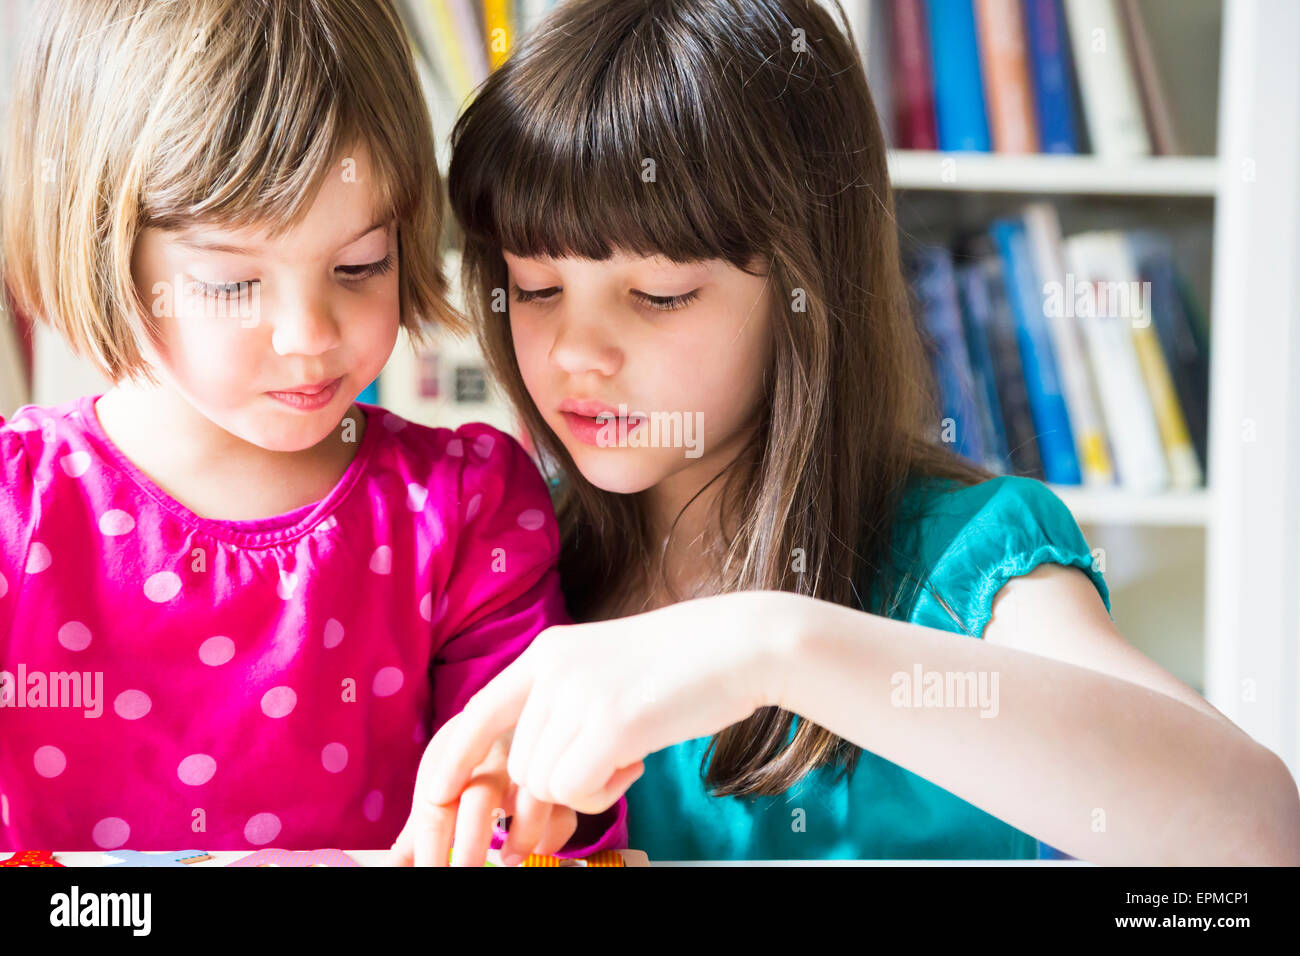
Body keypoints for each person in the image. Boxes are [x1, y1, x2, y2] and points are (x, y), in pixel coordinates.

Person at [390, 0, 1300, 864]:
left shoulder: (959, 560)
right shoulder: (499, 555)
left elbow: (1256, 832)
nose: (577, 353)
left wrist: (769, 646)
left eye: (659, 295)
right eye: (538, 290)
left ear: (802, 291)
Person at [0, 0, 625, 861]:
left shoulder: (463, 505)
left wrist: (528, 799)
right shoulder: (15, 510)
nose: (312, 336)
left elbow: (548, 815)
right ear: (102, 246)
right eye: (229, 282)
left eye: (359, 265)